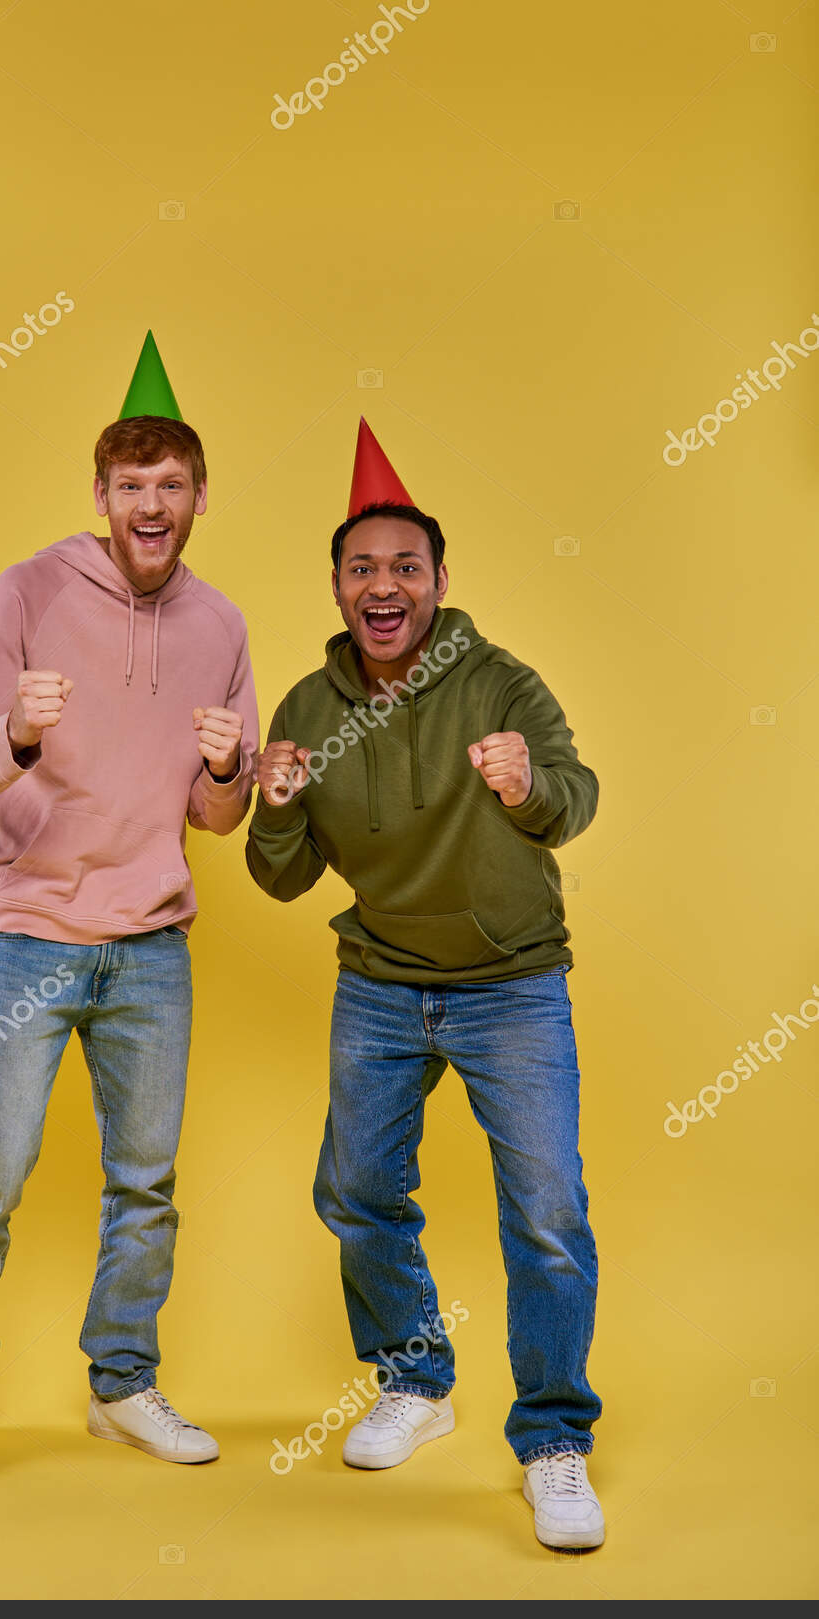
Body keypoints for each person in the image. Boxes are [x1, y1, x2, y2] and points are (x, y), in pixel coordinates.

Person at [245, 419, 605, 1549]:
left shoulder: (500, 679)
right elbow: (282, 876)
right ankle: (418, 1380)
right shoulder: (307, 705)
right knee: (356, 1191)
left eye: (406, 565)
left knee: (546, 1214)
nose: (383, 583)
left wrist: (527, 781)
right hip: (382, 982)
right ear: (341, 588)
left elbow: (578, 793)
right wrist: (279, 802)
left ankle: (554, 1440)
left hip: (512, 983)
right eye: (363, 567)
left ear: (439, 583)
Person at [0, 332, 258, 1487]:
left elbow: (220, 820)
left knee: (147, 1182)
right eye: (130, 485)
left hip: (152, 943)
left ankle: (121, 1383)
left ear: (199, 497)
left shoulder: (222, 626)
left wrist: (224, 770)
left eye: (170, 486)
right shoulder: (28, 590)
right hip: (24, 937)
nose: (149, 504)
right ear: (99, 494)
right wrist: (13, 726)